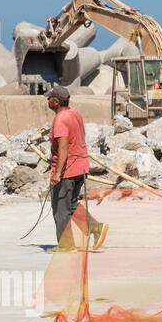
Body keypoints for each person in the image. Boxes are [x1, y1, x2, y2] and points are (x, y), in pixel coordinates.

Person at [46, 85, 107, 252]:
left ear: (56, 102)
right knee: (71, 204)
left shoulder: (60, 120)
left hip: (67, 170)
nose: (47, 100)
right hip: (81, 167)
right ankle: (96, 228)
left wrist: (57, 173)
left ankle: (66, 246)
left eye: (49, 98)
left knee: (60, 209)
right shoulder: (74, 114)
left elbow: (64, 148)